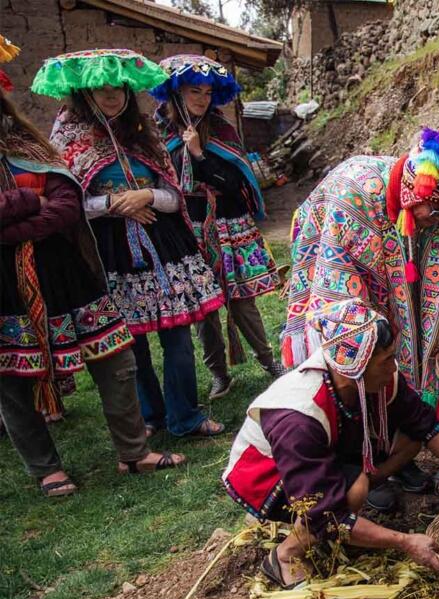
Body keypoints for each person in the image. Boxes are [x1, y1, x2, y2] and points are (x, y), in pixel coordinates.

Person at [1, 54, 185, 497]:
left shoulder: (29, 148)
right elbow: (53, 204)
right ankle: (47, 469)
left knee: (116, 360)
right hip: (5, 286)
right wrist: (32, 204)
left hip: (67, 271)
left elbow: (67, 203)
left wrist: (22, 217)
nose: (112, 96)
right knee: (12, 380)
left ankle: (133, 451)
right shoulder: (64, 137)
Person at [223, 299, 439, 587]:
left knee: (409, 439)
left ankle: (349, 515)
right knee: (346, 497)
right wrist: (404, 541)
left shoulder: (368, 380)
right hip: (267, 476)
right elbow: (322, 511)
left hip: (326, 452)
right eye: (385, 361)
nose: (393, 367)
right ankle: (285, 554)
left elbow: (425, 423)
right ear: (352, 369)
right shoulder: (299, 418)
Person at [34, 49, 226, 439]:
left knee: (178, 337)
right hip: (109, 251)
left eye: (118, 89)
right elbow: (68, 203)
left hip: (163, 243)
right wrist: (112, 204)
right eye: (102, 90)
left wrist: (147, 198)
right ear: (84, 94)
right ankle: (150, 415)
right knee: (130, 341)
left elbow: (173, 194)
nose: (112, 97)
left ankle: (185, 416)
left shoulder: (145, 133)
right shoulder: (69, 141)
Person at [283, 128, 439, 498]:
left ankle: (397, 454)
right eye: (434, 212)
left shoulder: (437, 208)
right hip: (345, 276)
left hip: (400, 273)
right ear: (411, 194)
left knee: (412, 347)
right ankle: (362, 458)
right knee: (367, 353)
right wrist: (376, 328)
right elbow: (340, 303)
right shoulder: (353, 195)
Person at [151, 55, 284, 400]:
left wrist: (198, 154)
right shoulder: (158, 135)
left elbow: (233, 181)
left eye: (208, 92)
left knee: (242, 301)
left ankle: (270, 362)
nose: (202, 99)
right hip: (188, 229)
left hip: (227, 223)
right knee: (204, 307)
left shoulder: (221, 130)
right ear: (175, 93)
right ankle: (218, 374)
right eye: (195, 91)